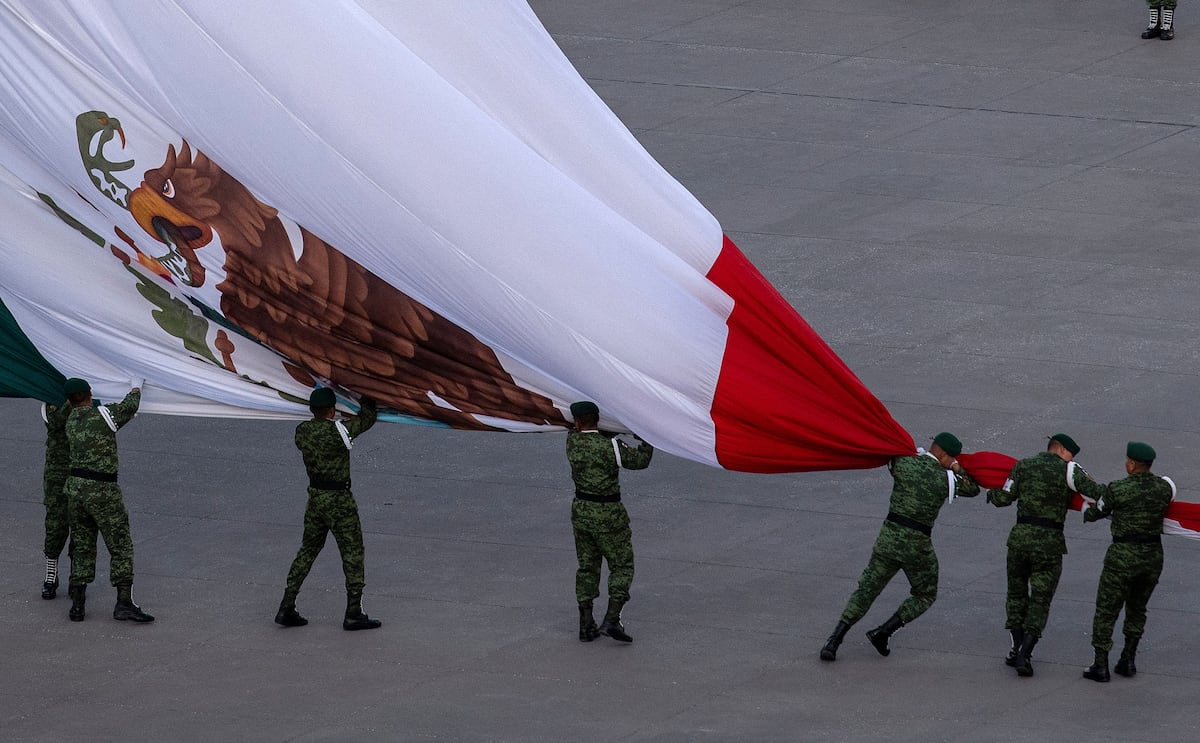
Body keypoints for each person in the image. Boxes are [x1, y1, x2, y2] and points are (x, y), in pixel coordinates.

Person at [820, 433, 980, 662]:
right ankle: (884, 632)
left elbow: (891, 459)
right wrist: (955, 467)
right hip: (917, 545)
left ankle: (834, 641)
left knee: (866, 590)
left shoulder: (905, 463)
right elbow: (972, 488)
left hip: (888, 539)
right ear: (945, 455)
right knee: (925, 594)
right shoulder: (945, 478)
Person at [275, 388, 381, 631]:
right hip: (339, 500)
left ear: (312, 410)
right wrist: (368, 392)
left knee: (308, 550)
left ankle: (286, 605)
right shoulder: (338, 432)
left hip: (315, 499)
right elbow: (368, 418)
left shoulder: (302, 432)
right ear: (332, 409)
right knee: (353, 553)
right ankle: (354, 611)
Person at [1071, 442, 1174, 682]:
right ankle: (1128, 659)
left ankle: (1100, 664)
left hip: (1123, 556)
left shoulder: (1118, 488)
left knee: (1107, 610)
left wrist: (1087, 509)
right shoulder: (1163, 488)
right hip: (1152, 556)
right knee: (1137, 609)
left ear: (1132, 463)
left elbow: (1097, 512)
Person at [986, 433, 1079, 677]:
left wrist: (991, 494)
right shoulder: (1069, 471)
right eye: (1070, 454)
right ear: (1059, 450)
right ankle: (1025, 654)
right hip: (1049, 545)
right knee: (1040, 599)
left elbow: (1004, 497)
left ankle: (1016, 648)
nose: (1071, 459)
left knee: (1016, 594)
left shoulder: (1023, 465)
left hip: (1020, 541)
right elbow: (1095, 492)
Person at [62, 377, 154, 623]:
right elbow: (128, 407)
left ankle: (78, 605)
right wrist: (136, 386)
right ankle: (124, 602)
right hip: (102, 491)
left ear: (69, 401)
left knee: (81, 545)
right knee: (120, 545)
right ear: (90, 394)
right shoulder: (101, 416)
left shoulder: (70, 420)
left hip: (75, 490)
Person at [566, 401, 653, 643]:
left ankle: (586, 625)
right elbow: (640, 461)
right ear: (597, 418)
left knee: (587, 567)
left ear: (577, 422)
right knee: (622, 565)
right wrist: (648, 438)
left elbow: (591, 432)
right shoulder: (609, 446)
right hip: (608, 514)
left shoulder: (572, 442)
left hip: (581, 512)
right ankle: (612, 618)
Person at [40, 398, 73, 599]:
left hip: (81, 470)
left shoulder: (85, 397)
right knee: (55, 526)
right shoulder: (50, 399)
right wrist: (71, 401)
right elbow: (57, 422)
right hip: (57, 476)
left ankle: (77, 578)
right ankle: (50, 574)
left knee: (81, 527)